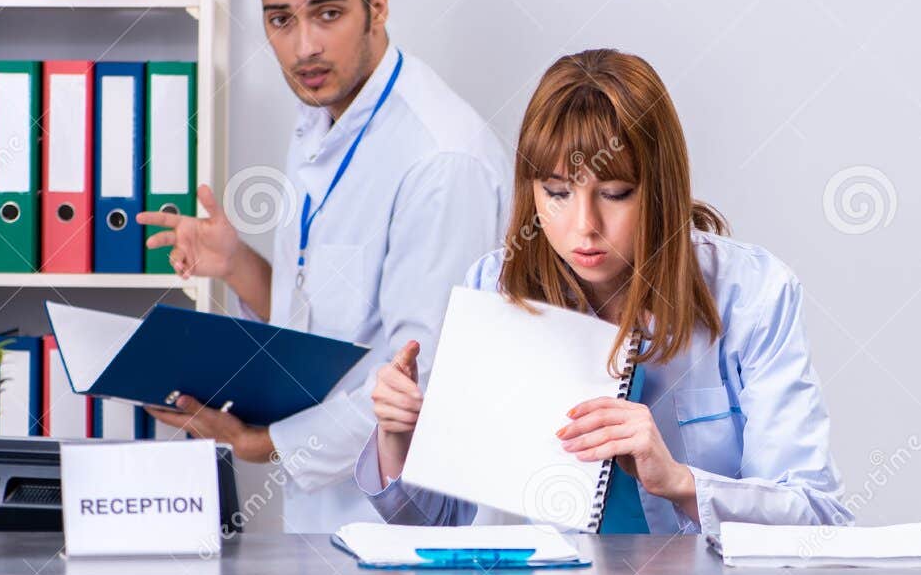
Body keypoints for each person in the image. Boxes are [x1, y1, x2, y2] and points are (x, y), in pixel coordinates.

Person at [354, 48, 850, 534]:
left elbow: (819, 517)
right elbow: (432, 521)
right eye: (557, 193)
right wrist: (398, 439)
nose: (584, 226)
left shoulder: (753, 292)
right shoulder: (495, 288)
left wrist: (679, 482)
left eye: (614, 194)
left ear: (661, 188)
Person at [136, 0, 511, 533]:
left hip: (414, 525)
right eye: (281, 20)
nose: (304, 45)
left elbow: (419, 378)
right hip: (323, 522)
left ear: (378, 7)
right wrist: (237, 264)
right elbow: (317, 317)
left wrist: (263, 444)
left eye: (328, 13)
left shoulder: (441, 157)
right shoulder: (322, 116)